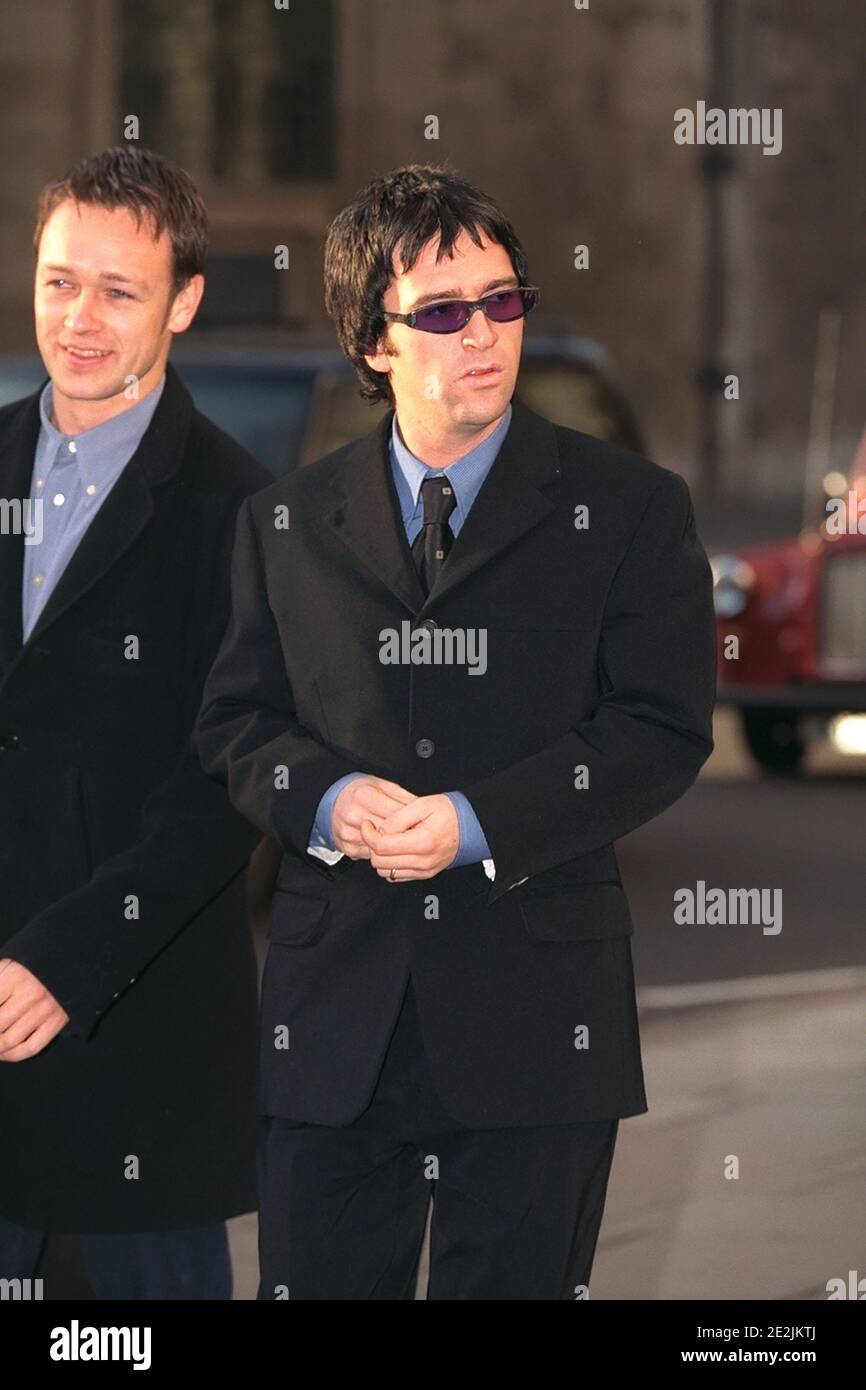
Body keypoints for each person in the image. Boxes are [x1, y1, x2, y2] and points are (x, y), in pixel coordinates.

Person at [195, 163, 717, 1300]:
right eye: (440, 312)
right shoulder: (282, 524)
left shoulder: (629, 508)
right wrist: (326, 802)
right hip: (332, 1033)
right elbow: (237, 722)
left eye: (502, 299)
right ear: (371, 340)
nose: (481, 332)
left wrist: (477, 822)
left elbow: (658, 728)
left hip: (538, 1035)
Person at [0, 146, 270, 1299]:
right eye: (62, 280)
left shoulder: (240, 507)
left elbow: (225, 786)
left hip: (133, 1032)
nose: (82, 318)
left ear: (185, 301)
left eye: (120, 290)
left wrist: (64, 960)